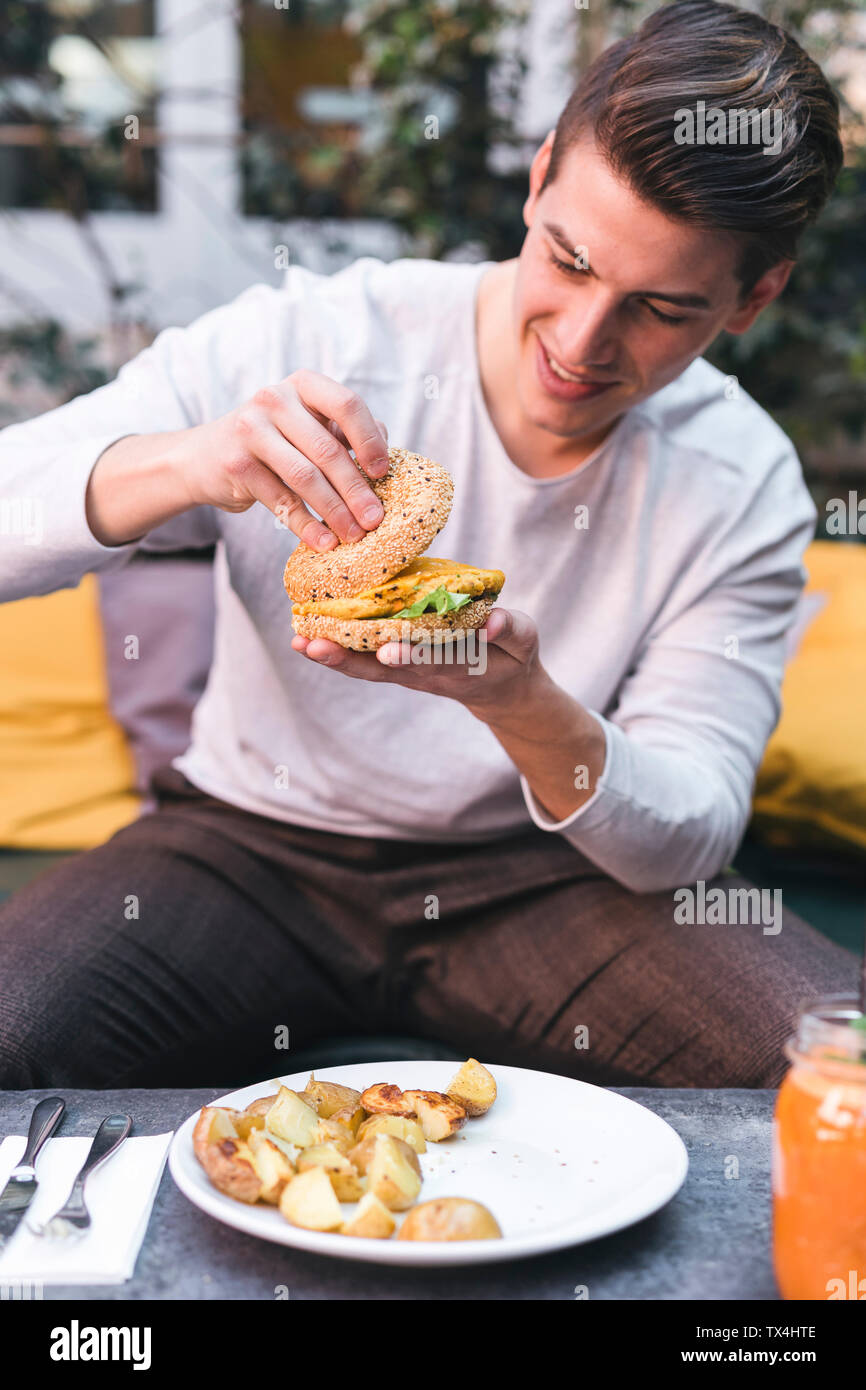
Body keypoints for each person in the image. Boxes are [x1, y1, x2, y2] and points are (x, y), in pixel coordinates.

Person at [0, 1, 854, 1090]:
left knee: (838, 1072)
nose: (581, 344)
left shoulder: (739, 480)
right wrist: (192, 461)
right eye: (568, 259)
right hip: (248, 847)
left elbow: (683, 835)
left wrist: (516, 701)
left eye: (659, 309)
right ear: (539, 178)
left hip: (550, 878)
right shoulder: (311, 339)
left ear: (754, 295)